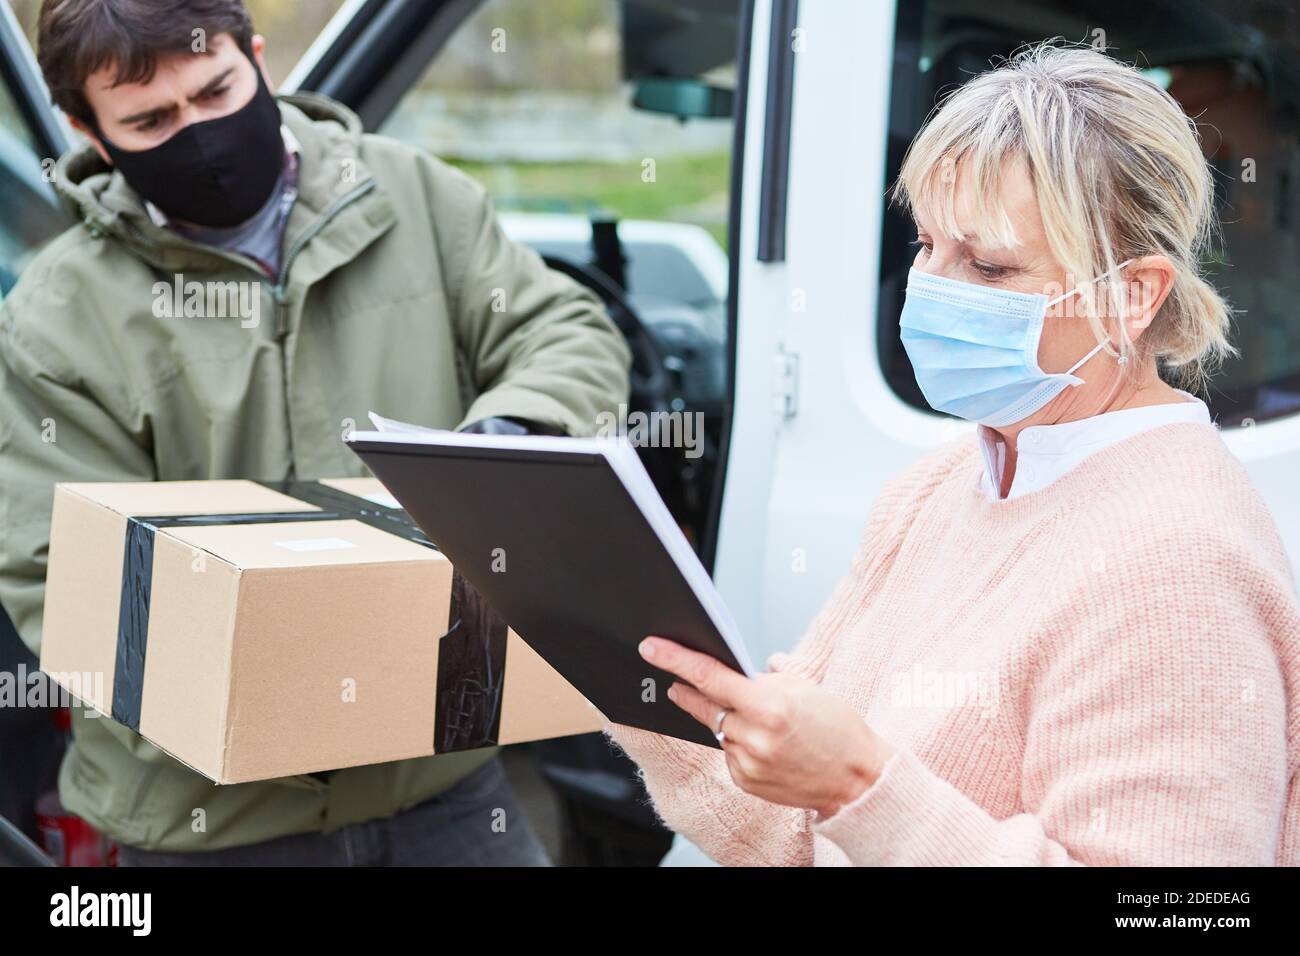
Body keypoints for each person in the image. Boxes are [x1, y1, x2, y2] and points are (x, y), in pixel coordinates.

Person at [607, 42, 1300, 866]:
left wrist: (858, 786)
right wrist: (618, 649)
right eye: (927, 246)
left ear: (1134, 294)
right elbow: (795, 832)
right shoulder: (939, 486)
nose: (933, 288)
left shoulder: (1176, 568)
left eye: (989, 264)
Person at [0, 0, 630, 866]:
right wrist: (277, 692)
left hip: (443, 790)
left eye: (217, 90)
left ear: (256, 57)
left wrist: (511, 434)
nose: (200, 136)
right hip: (213, 827)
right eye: (151, 120)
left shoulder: (416, 197)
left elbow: (565, 331)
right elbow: (62, 569)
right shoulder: (54, 322)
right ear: (87, 131)